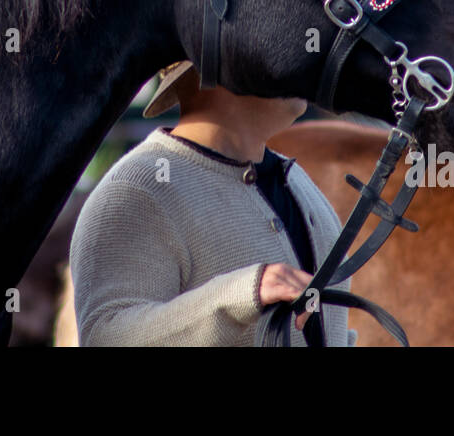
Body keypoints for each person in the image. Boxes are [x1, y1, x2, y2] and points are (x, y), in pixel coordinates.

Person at [70, 61, 356, 346]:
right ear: (219, 66)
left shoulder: (299, 182)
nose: (288, 56)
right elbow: (105, 338)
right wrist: (243, 294)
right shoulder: (137, 189)